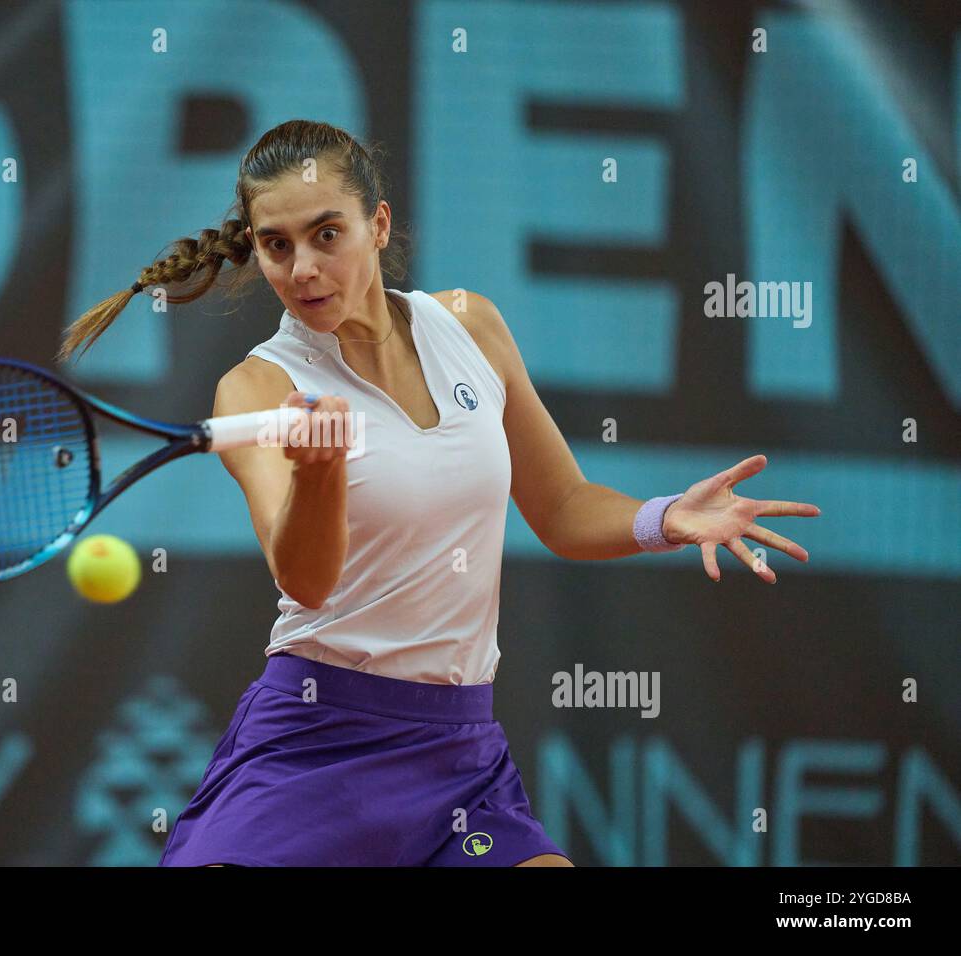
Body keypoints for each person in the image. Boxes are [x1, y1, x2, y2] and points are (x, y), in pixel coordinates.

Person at [58, 119, 820, 867]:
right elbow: (306, 581)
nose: (302, 269)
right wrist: (321, 475)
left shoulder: (470, 326)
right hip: (311, 741)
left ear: (378, 224)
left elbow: (560, 508)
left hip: (456, 753)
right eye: (276, 245)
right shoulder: (256, 388)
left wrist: (666, 518)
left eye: (328, 234)